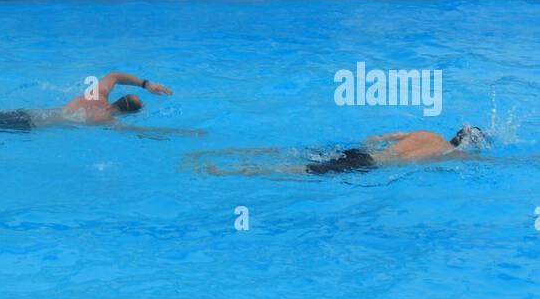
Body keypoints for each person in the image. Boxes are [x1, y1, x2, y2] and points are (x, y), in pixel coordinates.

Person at [0, 71, 198, 137]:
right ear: (130, 114)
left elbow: (113, 73)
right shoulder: (106, 121)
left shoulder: (94, 96)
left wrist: (146, 83)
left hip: (28, 113)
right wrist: (186, 133)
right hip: (30, 126)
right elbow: (150, 133)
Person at [186, 125, 490, 177]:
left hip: (359, 151)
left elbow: (377, 137)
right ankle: (234, 172)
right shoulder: (451, 154)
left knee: (298, 155)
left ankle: (239, 156)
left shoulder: (427, 133)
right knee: (299, 171)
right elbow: (502, 163)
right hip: (370, 166)